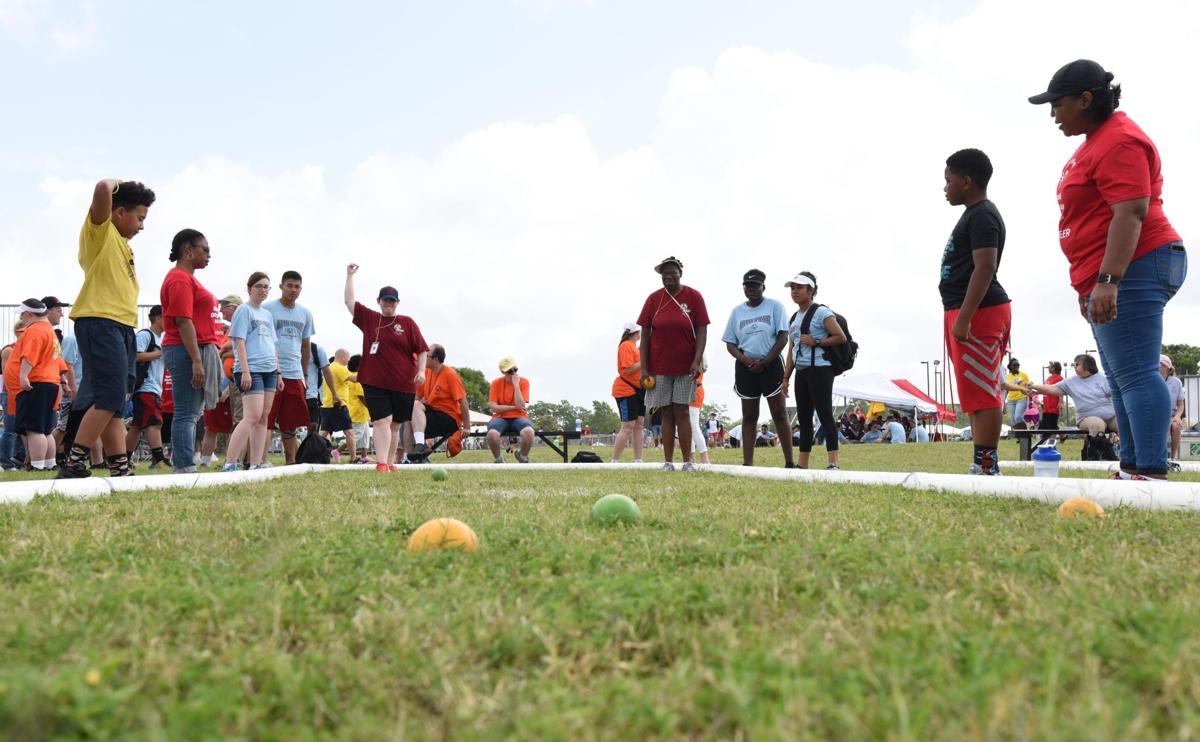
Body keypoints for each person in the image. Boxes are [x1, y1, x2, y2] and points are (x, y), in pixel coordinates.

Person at [1029, 59, 1187, 479]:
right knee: (1119, 378)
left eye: (1057, 104)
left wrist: (1108, 281)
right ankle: (1132, 465)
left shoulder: (1119, 141)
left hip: (1137, 262)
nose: (1053, 114)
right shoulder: (1095, 142)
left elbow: (1131, 212)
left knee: (1135, 373)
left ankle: (1149, 470)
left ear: (1085, 99)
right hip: (1112, 271)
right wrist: (1090, 284)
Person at [58, 179, 156, 479]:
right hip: (100, 321)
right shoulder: (101, 232)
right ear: (119, 212)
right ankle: (73, 462)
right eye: (139, 218)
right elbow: (102, 188)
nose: (142, 226)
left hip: (123, 326)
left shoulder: (124, 246)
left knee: (116, 402)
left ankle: (119, 467)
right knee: (110, 395)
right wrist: (123, 184)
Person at [938, 152, 1016, 474]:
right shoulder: (973, 214)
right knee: (973, 392)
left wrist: (966, 317)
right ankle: (981, 462)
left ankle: (987, 465)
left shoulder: (983, 214)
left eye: (948, 180)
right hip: (964, 310)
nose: (945, 187)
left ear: (966, 181)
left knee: (983, 391)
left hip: (979, 311)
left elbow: (985, 267)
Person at [343, 265, 428, 472]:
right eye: (385, 300)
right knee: (382, 420)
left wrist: (422, 371)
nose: (388, 303)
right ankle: (381, 463)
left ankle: (390, 463)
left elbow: (422, 349)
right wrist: (350, 276)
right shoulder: (370, 318)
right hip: (375, 381)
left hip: (403, 383)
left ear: (397, 303)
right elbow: (349, 302)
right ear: (379, 301)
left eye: (392, 301)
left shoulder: (407, 323)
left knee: (395, 425)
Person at [637, 256, 709, 472]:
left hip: (686, 366)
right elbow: (645, 334)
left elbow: (702, 330)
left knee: (683, 411)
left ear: (680, 274)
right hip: (658, 366)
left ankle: (688, 461)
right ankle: (668, 461)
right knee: (666, 413)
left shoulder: (694, 297)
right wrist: (644, 367)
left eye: (672, 272)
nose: (669, 276)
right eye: (664, 273)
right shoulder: (653, 300)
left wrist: (697, 360)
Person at [160, 229, 220, 474]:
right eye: (204, 249)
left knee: (191, 413)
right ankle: (184, 466)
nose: (208, 255)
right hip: (185, 350)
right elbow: (183, 321)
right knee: (186, 413)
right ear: (188, 249)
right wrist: (196, 360)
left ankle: (184, 463)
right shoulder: (179, 279)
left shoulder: (187, 278)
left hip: (193, 350)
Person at [722, 268, 794, 468]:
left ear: (763, 287)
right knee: (749, 415)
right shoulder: (737, 312)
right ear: (744, 288)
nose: (751, 289)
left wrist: (765, 362)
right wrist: (746, 361)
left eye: (755, 285)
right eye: (747, 285)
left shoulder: (775, 306)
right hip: (746, 367)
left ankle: (789, 461)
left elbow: (783, 337)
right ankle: (748, 462)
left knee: (779, 412)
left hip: (770, 364)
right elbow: (730, 343)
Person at [783, 272, 846, 470]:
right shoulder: (794, 317)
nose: (795, 292)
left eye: (799, 287)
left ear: (811, 290)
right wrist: (786, 377)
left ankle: (833, 462)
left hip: (820, 369)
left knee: (825, 413)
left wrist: (817, 341)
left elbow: (840, 336)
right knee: (803, 417)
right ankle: (803, 464)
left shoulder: (821, 312)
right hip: (801, 370)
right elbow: (792, 349)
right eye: (792, 288)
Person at [223, 272, 281, 471]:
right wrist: (245, 371)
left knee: (264, 416)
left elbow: (273, 345)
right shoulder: (243, 311)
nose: (263, 290)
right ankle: (230, 461)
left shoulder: (267, 314)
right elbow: (239, 341)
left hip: (269, 371)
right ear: (249, 288)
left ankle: (256, 462)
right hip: (251, 369)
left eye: (266, 286)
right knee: (251, 416)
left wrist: (278, 372)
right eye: (259, 286)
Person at [265, 270, 316, 465]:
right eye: (290, 286)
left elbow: (305, 345)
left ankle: (291, 461)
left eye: (297, 287)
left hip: (294, 373)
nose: (293, 290)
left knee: (291, 421)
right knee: (266, 419)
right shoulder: (268, 309)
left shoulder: (305, 313)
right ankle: (256, 460)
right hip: (270, 369)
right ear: (281, 286)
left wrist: (304, 373)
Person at [11, 301, 61, 470]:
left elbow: (29, 355)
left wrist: (24, 376)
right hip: (50, 382)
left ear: (29, 314)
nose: (21, 317)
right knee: (45, 429)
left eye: (22, 314)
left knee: (34, 428)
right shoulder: (49, 331)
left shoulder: (34, 330)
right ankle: (49, 463)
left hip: (37, 382)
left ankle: (37, 465)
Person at [1023, 354, 1117, 442]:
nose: (1074, 367)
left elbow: (1116, 394)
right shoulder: (1071, 382)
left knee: (1125, 423)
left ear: (1087, 365)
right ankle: (1099, 457)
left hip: (1111, 416)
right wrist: (1033, 386)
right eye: (1074, 364)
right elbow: (1050, 388)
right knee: (1097, 425)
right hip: (1087, 416)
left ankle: (1128, 456)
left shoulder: (1102, 378)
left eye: (1077, 364)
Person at [411, 344, 471, 460]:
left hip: (449, 417)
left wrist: (467, 427)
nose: (423, 358)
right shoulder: (426, 373)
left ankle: (419, 456)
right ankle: (414, 455)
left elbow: (463, 402)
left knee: (411, 421)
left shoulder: (450, 374)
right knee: (408, 418)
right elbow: (417, 399)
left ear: (436, 359)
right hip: (433, 412)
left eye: (427, 355)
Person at [125, 305, 166, 469]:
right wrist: (161, 353)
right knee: (154, 423)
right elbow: (135, 355)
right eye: (167, 317)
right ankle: (159, 460)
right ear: (158, 318)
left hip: (153, 387)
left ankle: (123, 458)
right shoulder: (145, 335)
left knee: (137, 426)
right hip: (145, 387)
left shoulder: (160, 339)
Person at [487, 357, 534, 463]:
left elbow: (521, 404)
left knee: (529, 432)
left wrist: (516, 385)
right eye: (509, 371)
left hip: (520, 416)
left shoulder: (524, 382)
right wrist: (514, 407)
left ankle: (522, 456)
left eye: (515, 369)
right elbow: (494, 407)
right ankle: (499, 459)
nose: (513, 373)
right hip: (500, 418)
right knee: (492, 434)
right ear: (502, 372)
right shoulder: (495, 383)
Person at [611, 322, 645, 463]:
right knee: (628, 425)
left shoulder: (635, 348)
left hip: (639, 389)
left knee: (639, 424)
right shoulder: (625, 346)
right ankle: (615, 460)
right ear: (636, 333)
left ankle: (638, 459)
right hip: (626, 389)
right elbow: (628, 369)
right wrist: (644, 361)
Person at [319, 348, 353, 458]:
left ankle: (313, 452)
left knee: (324, 433)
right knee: (349, 432)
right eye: (348, 357)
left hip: (327, 405)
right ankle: (353, 458)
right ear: (343, 357)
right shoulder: (340, 368)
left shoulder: (330, 367)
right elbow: (355, 378)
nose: (348, 360)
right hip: (338, 404)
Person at [1161, 355, 1185, 461]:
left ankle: (1172, 458)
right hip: (1157, 415)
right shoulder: (1152, 381)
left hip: (1172, 414)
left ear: (1167, 367)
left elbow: (1180, 405)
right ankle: (1162, 456)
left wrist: (1177, 416)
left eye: (1159, 365)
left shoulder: (1176, 382)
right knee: (1164, 424)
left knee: (1176, 426)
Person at [689, 370, 710, 464]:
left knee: (693, 426)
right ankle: (691, 457)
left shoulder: (697, 356)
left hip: (694, 390)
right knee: (687, 427)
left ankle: (704, 458)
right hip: (691, 389)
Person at [1004, 359, 1031, 429]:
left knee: (1018, 418)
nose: (1017, 367)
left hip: (1022, 398)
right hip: (1011, 401)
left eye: (1018, 365)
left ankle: (1026, 434)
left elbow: (1029, 388)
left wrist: (1030, 400)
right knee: (1013, 421)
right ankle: (1022, 438)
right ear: (1010, 366)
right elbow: (1006, 390)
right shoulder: (1007, 377)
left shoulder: (1024, 375)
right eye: (1014, 365)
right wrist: (1003, 402)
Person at [1041, 362, 1065, 430]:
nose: (1048, 368)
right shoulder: (1049, 378)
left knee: (1051, 425)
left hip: (1053, 404)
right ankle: (1063, 435)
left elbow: (1061, 390)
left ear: (1054, 368)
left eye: (1050, 367)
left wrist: (1061, 402)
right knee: (1045, 425)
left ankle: (1054, 438)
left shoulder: (1059, 378)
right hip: (1046, 405)